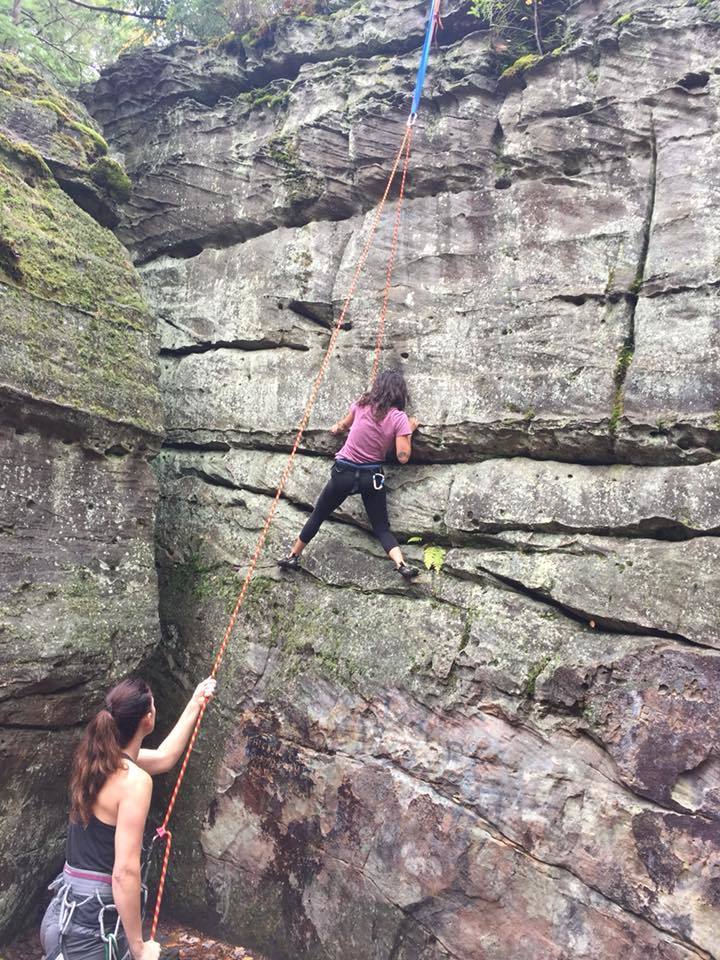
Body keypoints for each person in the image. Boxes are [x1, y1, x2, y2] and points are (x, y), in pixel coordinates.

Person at [40, 675, 216, 960]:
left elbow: (164, 757)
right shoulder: (134, 781)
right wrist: (139, 948)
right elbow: (124, 872)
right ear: (147, 720)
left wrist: (196, 701)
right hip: (93, 930)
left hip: (63, 917)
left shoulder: (93, 759)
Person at [278, 368, 420, 579]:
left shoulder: (361, 405)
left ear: (378, 387)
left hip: (343, 472)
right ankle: (401, 565)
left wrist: (336, 428)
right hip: (371, 477)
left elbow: (341, 427)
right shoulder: (399, 418)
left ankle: (293, 556)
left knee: (319, 514)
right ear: (400, 393)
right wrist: (409, 428)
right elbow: (402, 456)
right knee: (381, 527)